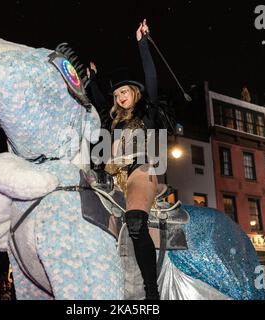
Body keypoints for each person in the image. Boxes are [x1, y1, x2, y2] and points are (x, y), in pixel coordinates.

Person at [86, 19, 161, 300]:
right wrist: (93, 80)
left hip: (141, 171)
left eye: (124, 92)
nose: (120, 97)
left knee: (136, 222)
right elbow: (98, 103)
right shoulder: (114, 120)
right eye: (116, 95)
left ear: (135, 92)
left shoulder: (146, 112)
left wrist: (142, 44)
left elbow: (152, 78)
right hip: (113, 177)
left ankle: (151, 292)